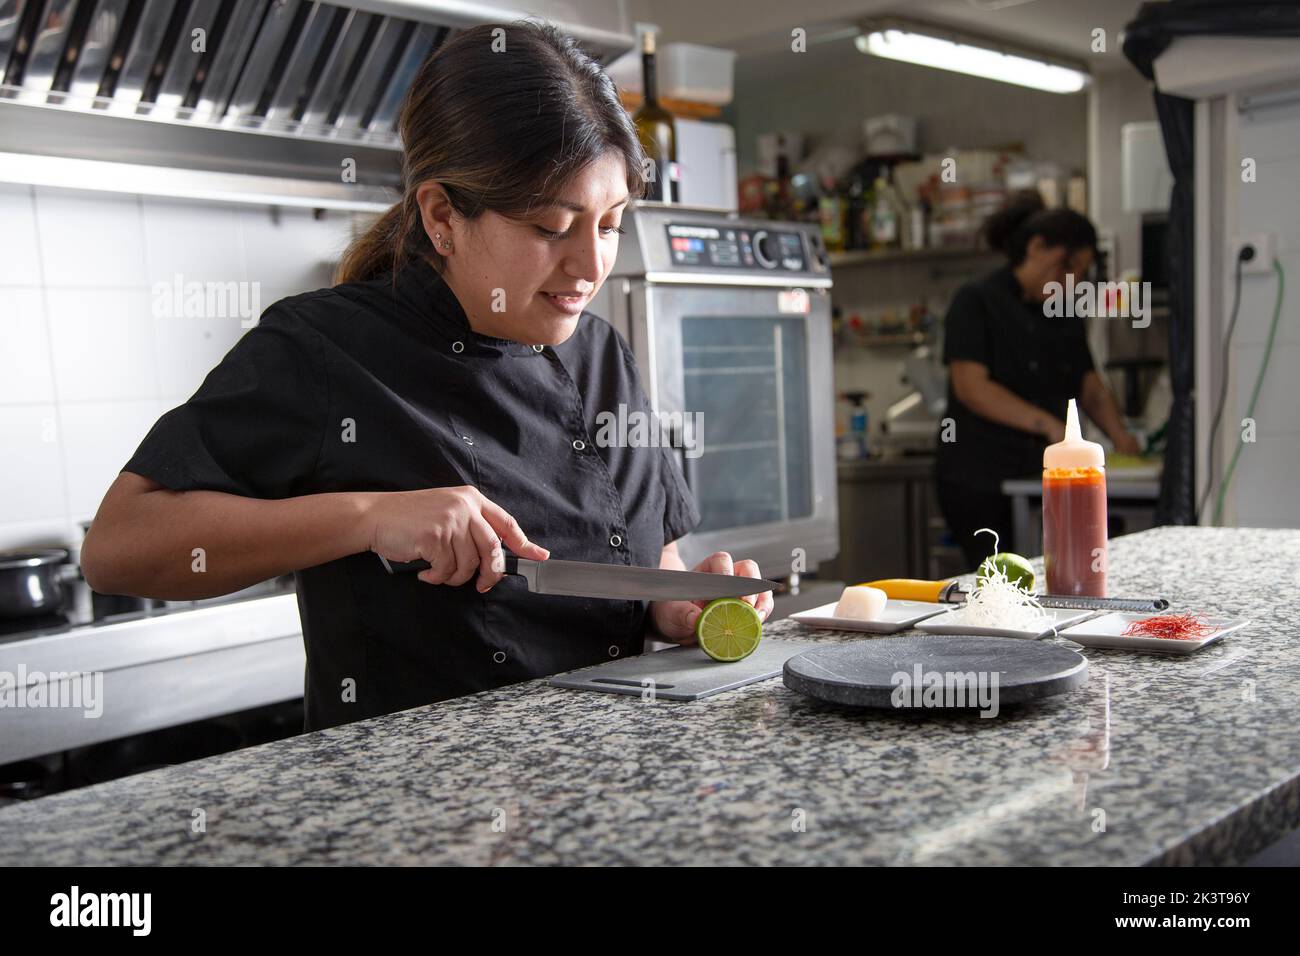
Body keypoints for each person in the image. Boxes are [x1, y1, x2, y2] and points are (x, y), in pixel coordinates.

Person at [80, 21, 772, 731]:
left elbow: (651, 552)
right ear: (443, 214)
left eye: (608, 223)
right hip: (420, 813)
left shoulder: (601, 355)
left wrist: (677, 603)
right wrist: (370, 515)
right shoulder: (324, 347)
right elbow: (117, 550)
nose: (591, 267)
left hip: (606, 780)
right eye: (549, 227)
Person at [935, 192, 1140, 569]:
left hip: (1041, 476)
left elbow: (1089, 384)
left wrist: (1122, 437)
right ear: (1036, 247)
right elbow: (972, 387)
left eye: (1080, 271)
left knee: (1056, 574)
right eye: (1068, 266)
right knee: (1001, 583)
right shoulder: (977, 300)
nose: (1074, 279)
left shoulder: (1064, 309)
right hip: (980, 479)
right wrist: (1048, 425)